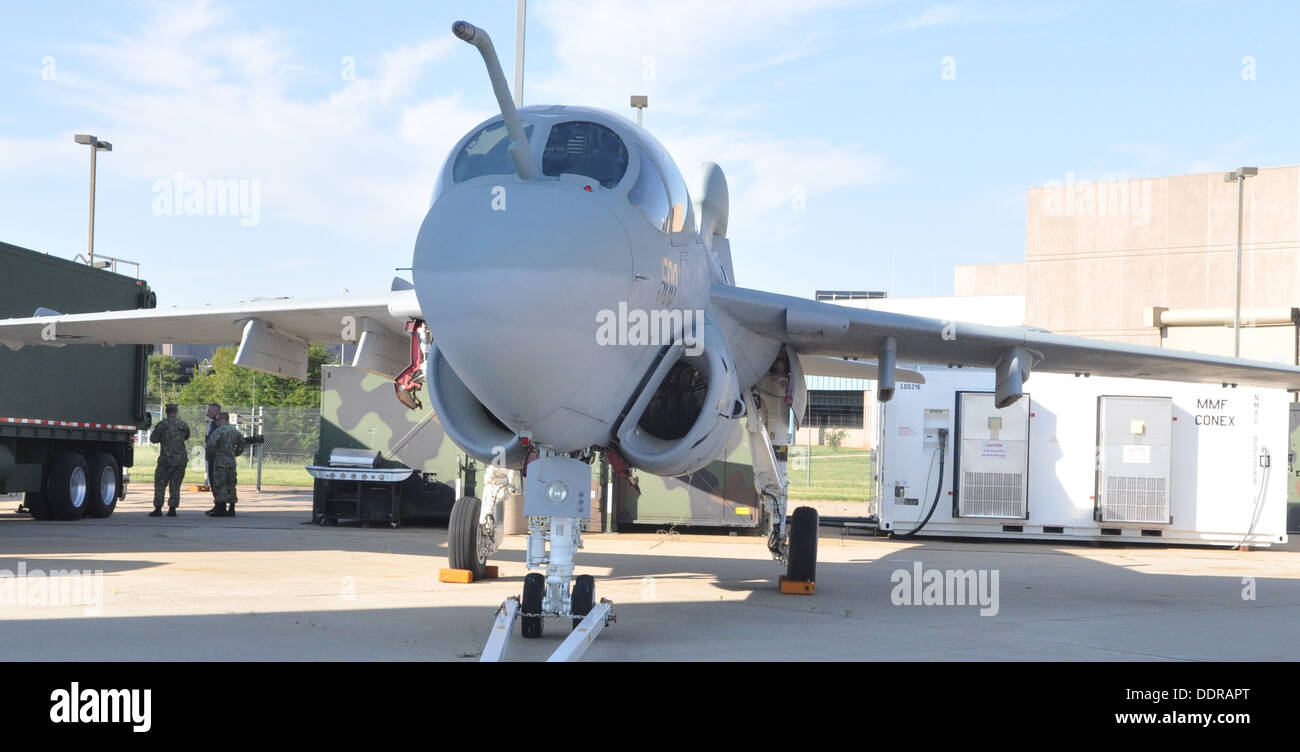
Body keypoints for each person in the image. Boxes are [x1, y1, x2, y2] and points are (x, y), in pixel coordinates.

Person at [148, 403, 189, 517]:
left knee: (160, 483)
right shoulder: (183, 424)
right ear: (176, 411)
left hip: (166, 459)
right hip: (180, 459)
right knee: (175, 484)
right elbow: (187, 436)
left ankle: (158, 508)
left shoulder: (162, 424)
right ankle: (172, 508)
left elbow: (153, 439)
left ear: (166, 412)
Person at [205, 412, 245, 517]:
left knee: (220, 484)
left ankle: (221, 508)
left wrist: (213, 455)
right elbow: (242, 445)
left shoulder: (219, 431)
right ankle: (232, 508)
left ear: (223, 419)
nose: (216, 422)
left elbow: (211, 444)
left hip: (220, 462)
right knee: (231, 484)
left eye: (217, 420)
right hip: (231, 462)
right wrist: (234, 454)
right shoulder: (235, 431)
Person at [203, 402, 222, 516]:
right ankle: (217, 505)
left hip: (216, 458)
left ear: (216, 411)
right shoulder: (214, 423)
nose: (207, 412)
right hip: (212, 457)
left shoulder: (219, 424)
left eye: (209, 410)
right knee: (213, 482)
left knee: (216, 482)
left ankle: (220, 506)